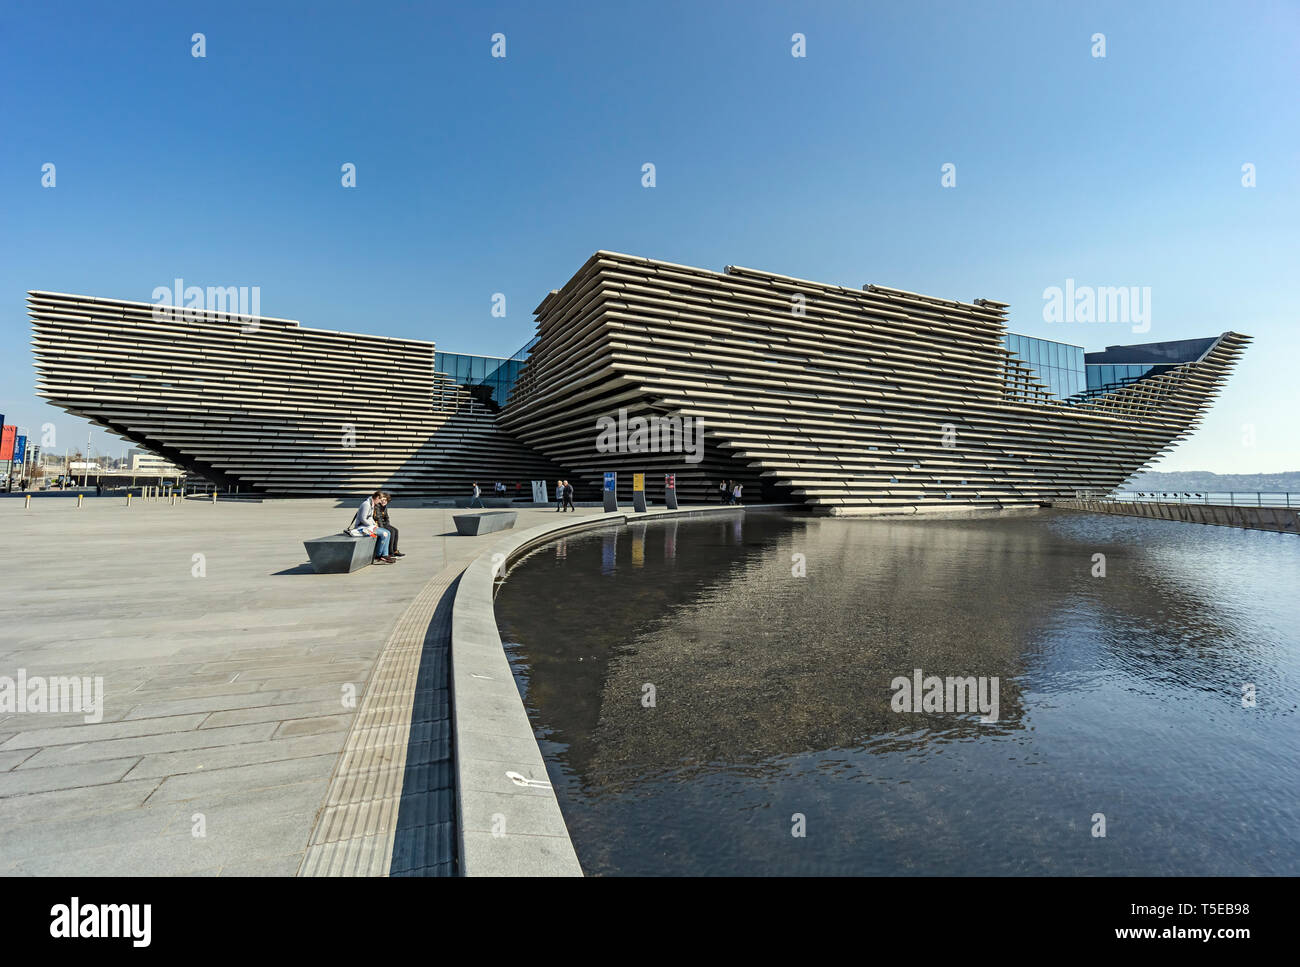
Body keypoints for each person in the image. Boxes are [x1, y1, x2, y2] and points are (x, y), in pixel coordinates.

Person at [349, 490, 397, 563]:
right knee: (385, 534)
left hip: (368, 526)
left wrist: (374, 524)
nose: (380, 502)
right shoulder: (366, 504)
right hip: (362, 527)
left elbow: (370, 517)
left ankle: (385, 555)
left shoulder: (371, 504)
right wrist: (372, 526)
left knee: (388, 532)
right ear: (377, 497)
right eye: (380, 500)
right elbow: (363, 518)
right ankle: (378, 555)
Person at [373, 491, 404, 557]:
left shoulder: (385, 507)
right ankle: (390, 551)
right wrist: (382, 528)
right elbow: (378, 518)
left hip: (384, 523)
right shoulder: (377, 506)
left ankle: (395, 550)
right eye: (383, 500)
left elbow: (386, 517)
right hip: (378, 524)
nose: (384, 501)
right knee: (391, 531)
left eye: (386, 500)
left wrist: (388, 524)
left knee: (396, 530)